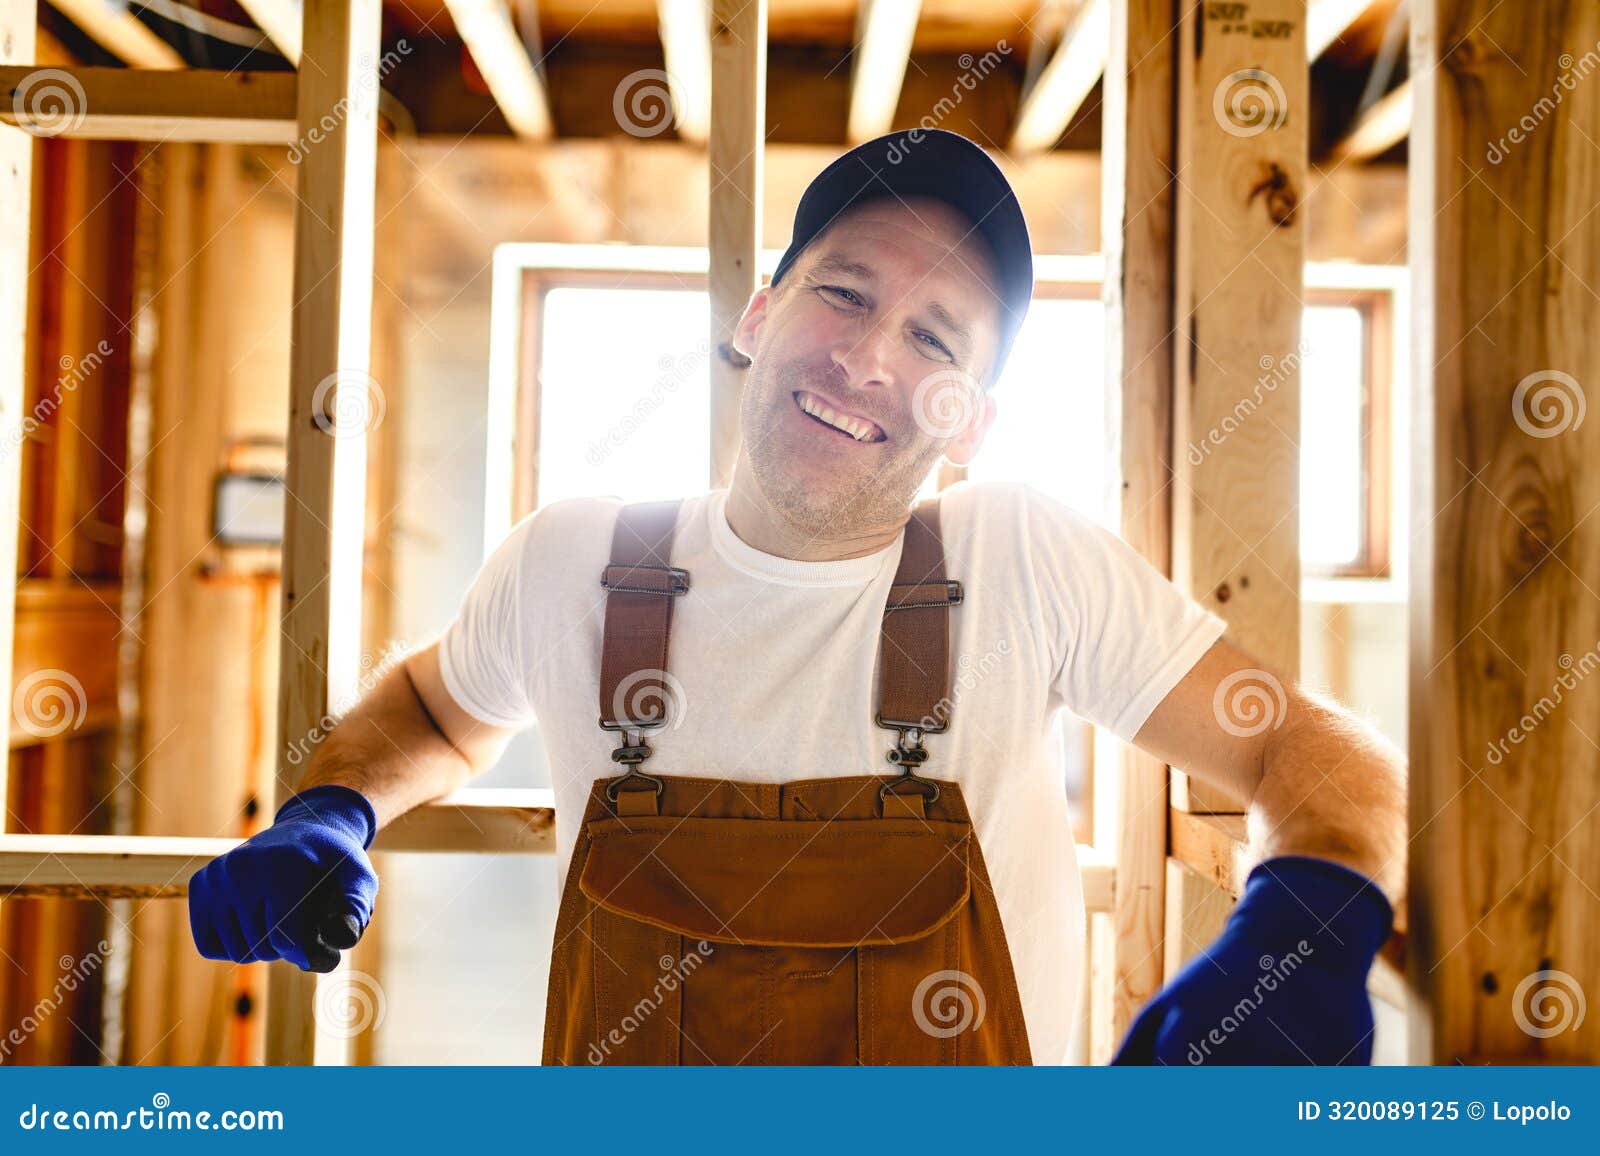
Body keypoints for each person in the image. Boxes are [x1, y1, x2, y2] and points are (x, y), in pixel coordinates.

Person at [189, 128, 1405, 1066]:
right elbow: (434, 710)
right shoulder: (569, 559)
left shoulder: (1027, 560)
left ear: (972, 424)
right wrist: (330, 808)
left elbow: (1313, 749)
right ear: (760, 315)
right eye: (843, 293)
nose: (870, 359)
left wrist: (1307, 918)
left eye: (937, 340)